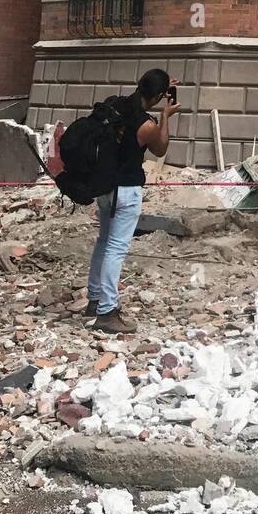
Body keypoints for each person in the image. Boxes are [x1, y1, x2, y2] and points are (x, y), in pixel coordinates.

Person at [84, 67, 179, 334]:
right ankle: (107, 312)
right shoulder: (146, 124)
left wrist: (157, 88)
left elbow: (139, 97)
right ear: (159, 96)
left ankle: (94, 299)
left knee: (103, 242)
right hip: (126, 191)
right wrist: (165, 116)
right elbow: (161, 147)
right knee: (116, 249)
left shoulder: (117, 105)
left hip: (104, 188)